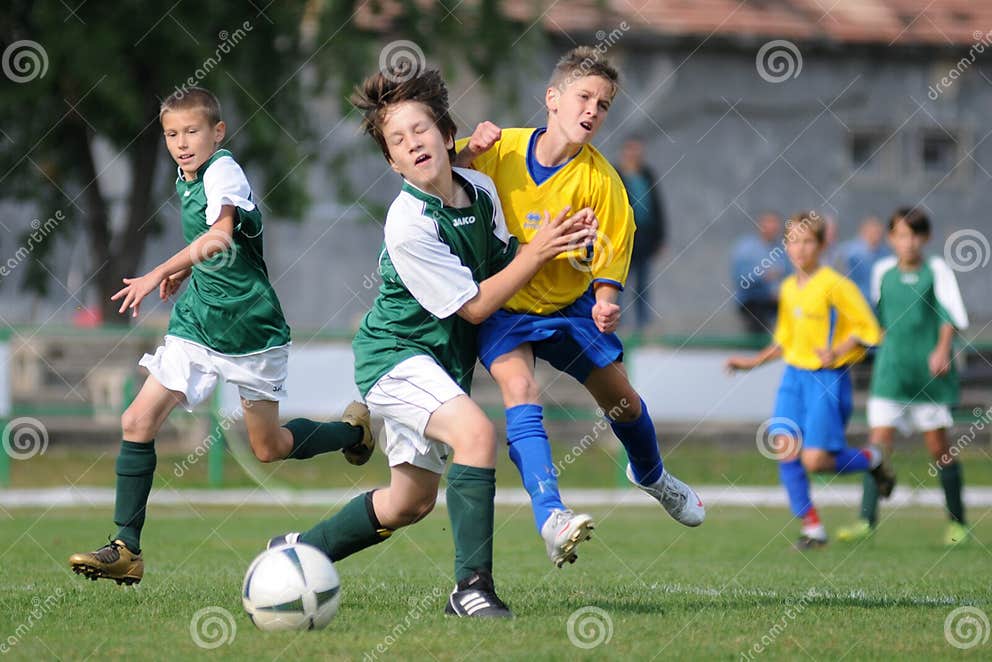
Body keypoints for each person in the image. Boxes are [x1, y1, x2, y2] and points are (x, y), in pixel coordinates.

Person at [268, 67, 596, 617]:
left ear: (447, 136)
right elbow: (475, 305)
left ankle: (299, 553)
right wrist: (538, 252)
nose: (411, 142)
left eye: (420, 129)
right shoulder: (409, 222)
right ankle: (471, 589)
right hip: (395, 357)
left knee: (409, 503)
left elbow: (504, 267)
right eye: (397, 140)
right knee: (476, 434)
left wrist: (561, 247)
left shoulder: (482, 190)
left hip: (442, 365)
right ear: (393, 164)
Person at [69, 87, 374, 585]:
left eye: (192, 131)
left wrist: (155, 273)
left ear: (217, 133)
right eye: (171, 133)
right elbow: (210, 248)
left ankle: (353, 433)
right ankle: (126, 548)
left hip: (251, 326)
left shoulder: (223, 170)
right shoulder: (186, 175)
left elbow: (219, 238)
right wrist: (186, 275)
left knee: (268, 448)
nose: (181, 142)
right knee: (137, 419)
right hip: (196, 323)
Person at [456, 46, 704, 569]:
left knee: (625, 404)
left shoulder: (604, 182)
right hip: (506, 305)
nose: (592, 110)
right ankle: (552, 516)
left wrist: (607, 303)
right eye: (583, 97)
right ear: (552, 99)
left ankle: (652, 475)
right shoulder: (500, 149)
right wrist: (465, 153)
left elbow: (614, 248)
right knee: (520, 390)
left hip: (571, 305)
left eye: (604, 104)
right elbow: (433, 172)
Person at [726, 210, 895, 549]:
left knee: (815, 461)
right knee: (785, 447)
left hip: (827, 380)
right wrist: (751, 363)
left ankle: (872, 461)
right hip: (794, 377)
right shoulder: (788, 287)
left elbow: (871, 330)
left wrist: (839, 349)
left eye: (807, 242)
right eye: (793, 242)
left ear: (820, 245)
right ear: (785, 247)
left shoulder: (836, 284)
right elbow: (784, 339)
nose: (800, 249)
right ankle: (813, 528)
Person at [838, 207, 970, 546]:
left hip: (928, 378)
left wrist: (942, 350)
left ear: (924, 238)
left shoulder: (936, 269)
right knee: (877, 446)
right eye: (899, 235)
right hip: (891, 376)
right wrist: (845, 348)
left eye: (913, 235)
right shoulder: (882, 270)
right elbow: (874, 322)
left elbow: (950, 316)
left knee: (939, 450)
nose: (907, 242)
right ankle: (866, 521)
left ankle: (958, 524)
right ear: (891, 238)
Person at [616, 137, 667, 331]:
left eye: (637, 151)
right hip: (623, 238)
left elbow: (658, 206)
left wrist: (661, 237)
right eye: (630, 151)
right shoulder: (616, 174)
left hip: (645, 237)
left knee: (643, 283)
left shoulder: (648, 174)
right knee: (619, 281)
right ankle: (617, 324)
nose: (633, 155)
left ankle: (642, 326)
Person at [731, 212, 787, 334]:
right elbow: (740, 279)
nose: (771, 228)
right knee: (759, 323)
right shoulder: (746, 248)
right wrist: (762, 276)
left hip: (777, 301)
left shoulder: (783, 250)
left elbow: (789, 274)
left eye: (774, 224)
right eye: (768, 223)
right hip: (752, 300)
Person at [839, 216, 890, 300]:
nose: (875, 235)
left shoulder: (885, 254)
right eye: (872, 232)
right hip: (854, 300)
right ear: (863, 231)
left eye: (878, 232)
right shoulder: (848, 253)